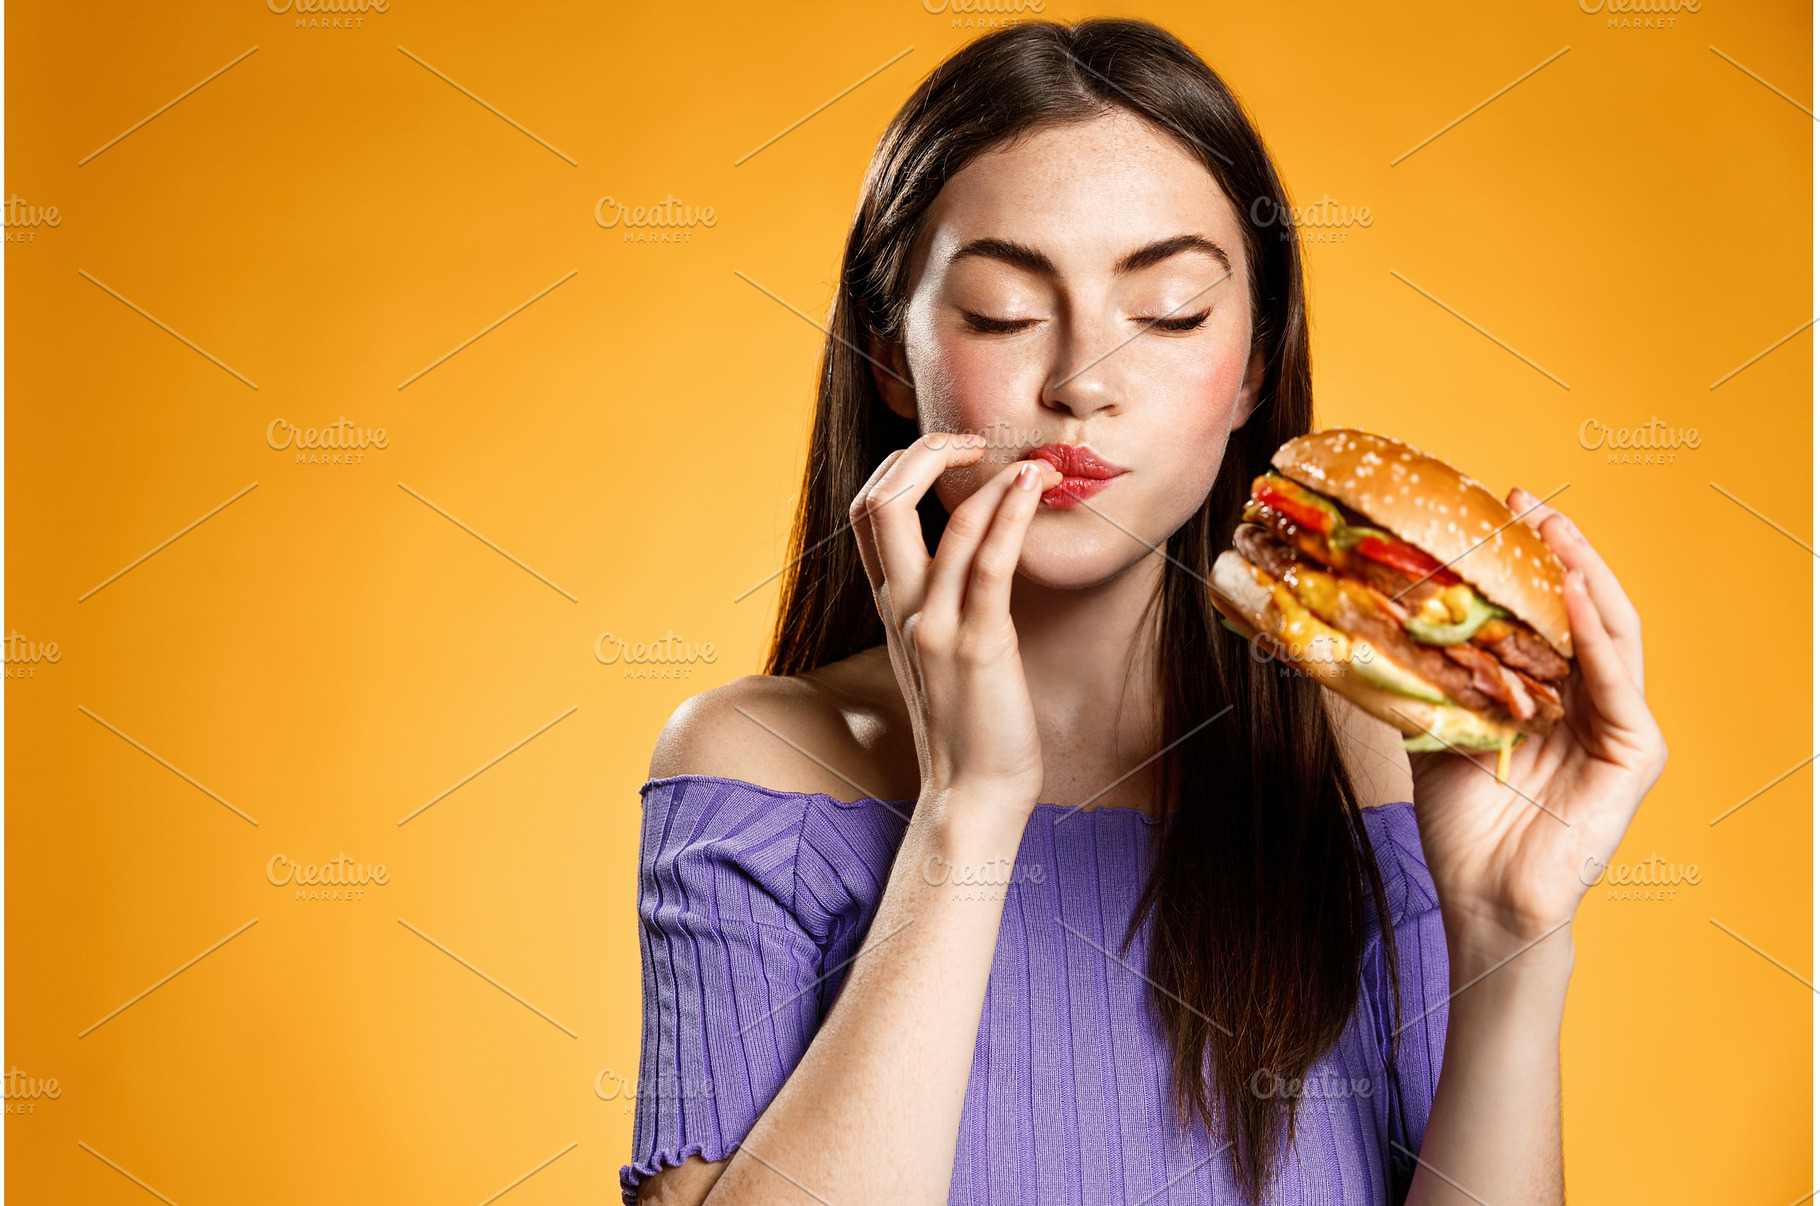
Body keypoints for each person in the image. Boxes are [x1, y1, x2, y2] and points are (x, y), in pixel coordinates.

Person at [623, 18, 1665, 1206]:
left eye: (1169, 311)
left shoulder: (1384, 774)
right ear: (887, 356)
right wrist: (968, 809)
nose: (1081, 383)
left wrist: (1508, 937)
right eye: (1001, 312)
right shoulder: (760, 769)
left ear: (1255, 365)